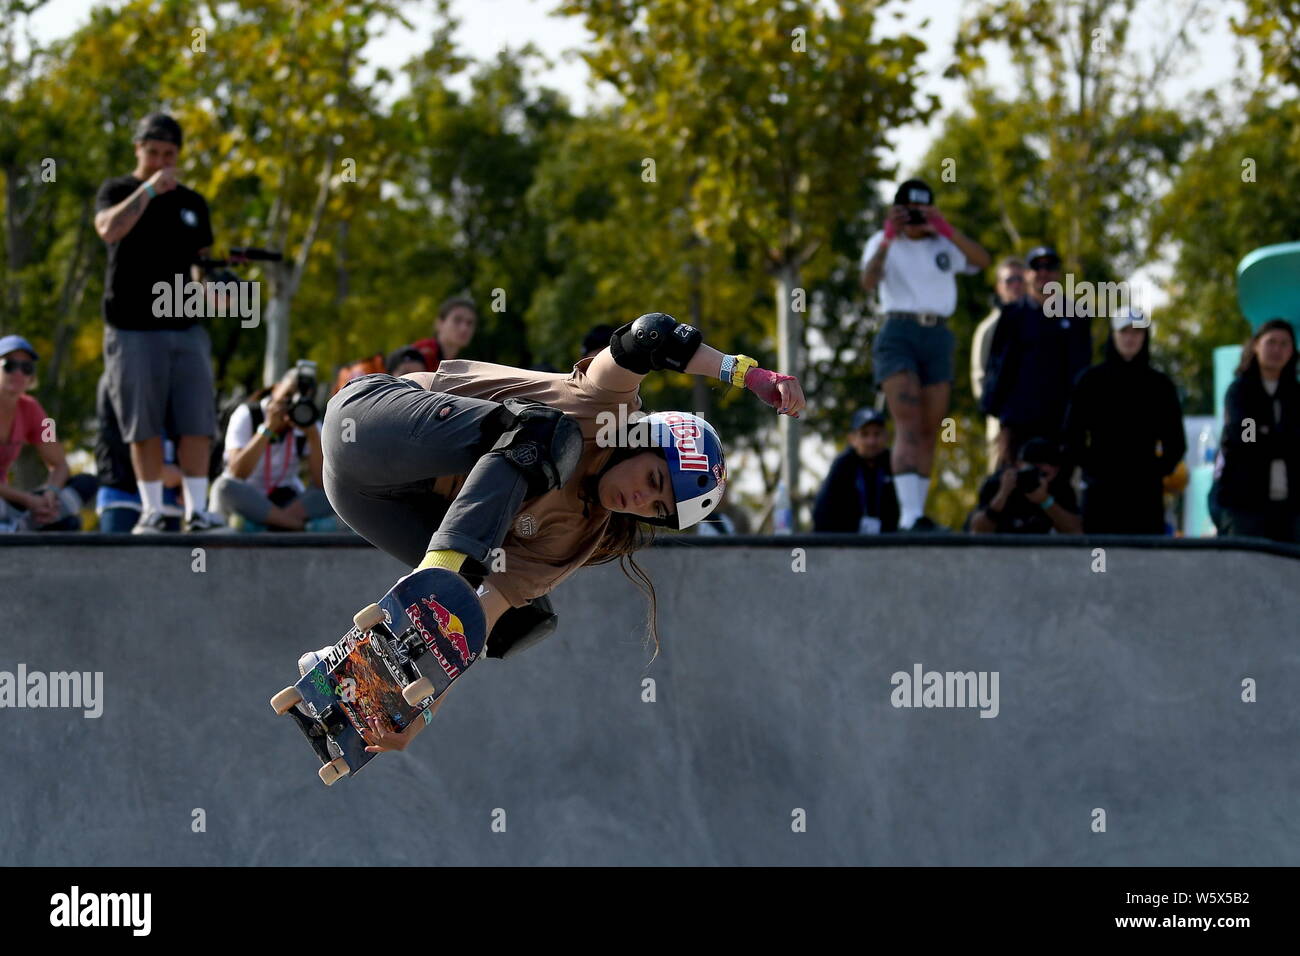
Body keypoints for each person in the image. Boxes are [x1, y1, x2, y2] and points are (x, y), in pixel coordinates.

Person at [303, 312, 804, 753]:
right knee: (548, 436)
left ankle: (352, 664)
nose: (641, 501)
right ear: (641, 440)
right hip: (370, 421)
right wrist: (747, 373)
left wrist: (421, 710)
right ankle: (437, 575)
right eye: (653, 480)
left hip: (366, 498)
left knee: (512, 618)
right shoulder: (606, 406)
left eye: (658, 508)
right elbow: (650, 336)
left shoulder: (575, 538)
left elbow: (469, 630)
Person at [92, 112, 226, 533]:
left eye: (169, 155)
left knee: (197, 420)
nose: (161, 161)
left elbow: (200, 264)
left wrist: (215, 289)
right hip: (131, 328)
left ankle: (197, 510)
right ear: (138, 149)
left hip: (185, 324)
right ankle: (152, 508)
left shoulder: (192, 202)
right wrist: (148, 190)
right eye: (153, 153)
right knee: (142, 419)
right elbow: (109, 230)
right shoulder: (119, 191)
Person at [860, 178, 990, 530]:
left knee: (931, 425)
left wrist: (944, 227)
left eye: (922, 210)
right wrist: (889, 236)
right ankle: (909, 515)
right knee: (908, 420)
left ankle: (917, 511)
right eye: (909, 211)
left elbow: (982, 260)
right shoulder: (882, 241)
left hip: (938, 334)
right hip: (899, 330)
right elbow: (868, 282)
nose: (916, 218)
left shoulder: (942, 242)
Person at [1062, 311, 1185, 534]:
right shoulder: (1090, 381)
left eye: (1137, 332)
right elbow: (1072, 435)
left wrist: (1154, 472)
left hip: (1145, 496)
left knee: (1144, 562)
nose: (1130, 338)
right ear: (1113, 335)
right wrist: (1093, 469)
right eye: (1124, 331)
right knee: (1099, 563)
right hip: (1101, 494)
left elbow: (1176, 441)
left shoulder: (1160, 385)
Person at [981, 246, 1093, 464]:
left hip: (1061, 425)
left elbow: (1082, 371)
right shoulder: (1011, 315)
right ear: (1027, 273)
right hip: (1016, 423)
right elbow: (996, 367)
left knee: (1059, 491)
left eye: (1049, 267)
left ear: (1059, 274)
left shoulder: (1076, 316)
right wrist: (994, 409)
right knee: (1010, 486)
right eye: (1036, 267)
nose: (1043, 273)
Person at [209, 367, 336, 531]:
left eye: (302, 399)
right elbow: (237, 473)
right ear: (276, 388)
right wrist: (268, 428)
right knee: (223, 487)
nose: (293, 404)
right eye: (288, 396)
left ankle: (268, 524)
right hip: (247, 498)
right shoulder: (248, 414)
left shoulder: (309, 422)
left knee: (335, 492)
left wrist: (312, 436)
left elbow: (321, 483)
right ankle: (297, 526)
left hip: (288, 499)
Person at [1215, 318, 1300, 542]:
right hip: (1246, 506)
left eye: (1284, 344)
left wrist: (1267, 436)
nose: (1277, 350)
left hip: (1291, 509)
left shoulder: (1296, 395)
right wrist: (1283, 441)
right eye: (1271, 342)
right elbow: (1246, 439)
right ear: (1255, 345)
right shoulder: (1241, 393)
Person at [0, 335, 82, 532]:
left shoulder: (34, 408)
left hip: (10, 500)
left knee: (84, 483)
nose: (18, 373)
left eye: (26, 368)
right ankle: (26, 523)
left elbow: (60, 463)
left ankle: (26, 522)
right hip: (9, 500)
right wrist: (28, 500)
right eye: (9, 366)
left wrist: (50, 493)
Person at [94, 371, 185, 532]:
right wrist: (155, 469)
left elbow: (188, 433)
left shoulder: (178, 377)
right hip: (122, 492)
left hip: (169, 498)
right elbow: (110, 432)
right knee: (118, 555)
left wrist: (184, 478)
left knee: (169, 557)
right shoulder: (115, 376)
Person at [332, 297, 478, 395]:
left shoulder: (441, 359)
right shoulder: (426, 353)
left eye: (470, 323)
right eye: (457, 320)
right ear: (439, 323)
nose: (464, 328)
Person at [971, 258, 1027, 466]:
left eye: (1020, 279)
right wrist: (995, 412)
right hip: (1001, 424)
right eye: (1009, 280)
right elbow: (979, 376)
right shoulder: (988, 328)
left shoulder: (1042, 320)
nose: (1016, 285)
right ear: (998, 286)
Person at [812, 407, 899, 534]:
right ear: (852, 439)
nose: (871, 441)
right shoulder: (843, 465)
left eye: (877, 434)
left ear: (886, 437)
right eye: (865, 434)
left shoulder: (894, 463)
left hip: (889, 541)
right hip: (846, 542)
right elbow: (822, 514)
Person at [969, 437, 1082, 535]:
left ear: (1056, 471)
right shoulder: (998, 483)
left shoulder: (1060, 488)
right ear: (1018, 466)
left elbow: (1076, 532)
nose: (1036, 476)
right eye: (1033, 468)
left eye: (1044, 472)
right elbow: (977, 531)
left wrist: (1045, 501)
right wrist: (1002, 495)